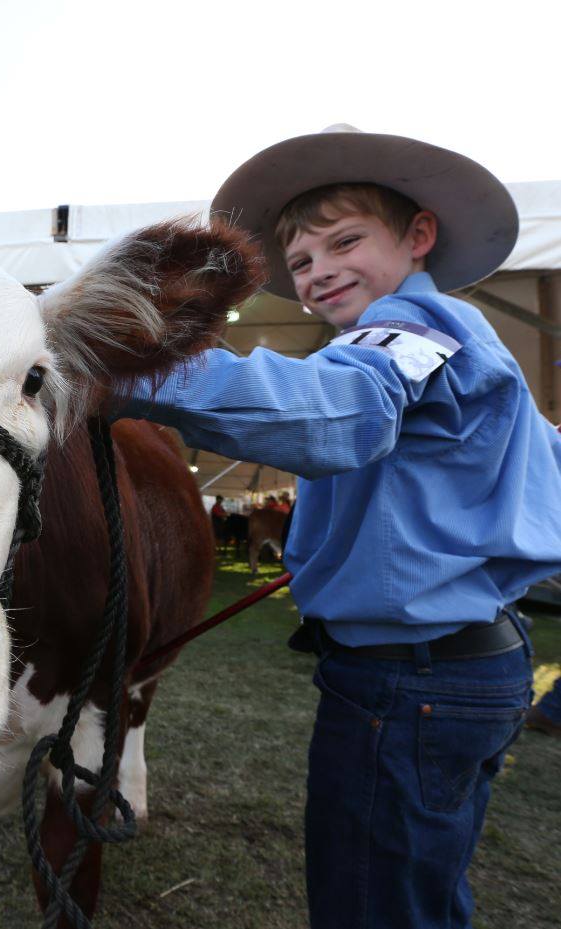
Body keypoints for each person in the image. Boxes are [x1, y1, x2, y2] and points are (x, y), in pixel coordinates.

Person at [120, 126, 561, 929]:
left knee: (373, 907)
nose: (320, 269)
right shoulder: (462, 341)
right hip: (462, 665)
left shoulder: (413, 330)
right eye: (300, 261)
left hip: (408, 683)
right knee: (417, 894)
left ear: (419, 236)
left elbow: (337, 412)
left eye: (345, 240)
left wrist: (124, 362)